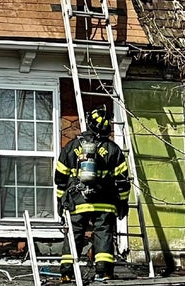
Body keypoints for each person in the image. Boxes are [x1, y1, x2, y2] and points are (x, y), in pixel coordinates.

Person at [54, 106, 130, 283]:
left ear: (89, 123)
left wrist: (60, 200)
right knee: (103, 232)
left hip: (77, 201)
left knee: (74, 233)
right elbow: (123, 181)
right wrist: (123, 202)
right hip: (105, 201)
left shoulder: (72, 147)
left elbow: (60, 178)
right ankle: (104, 271)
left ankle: (67, 272)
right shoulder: (113, 149)